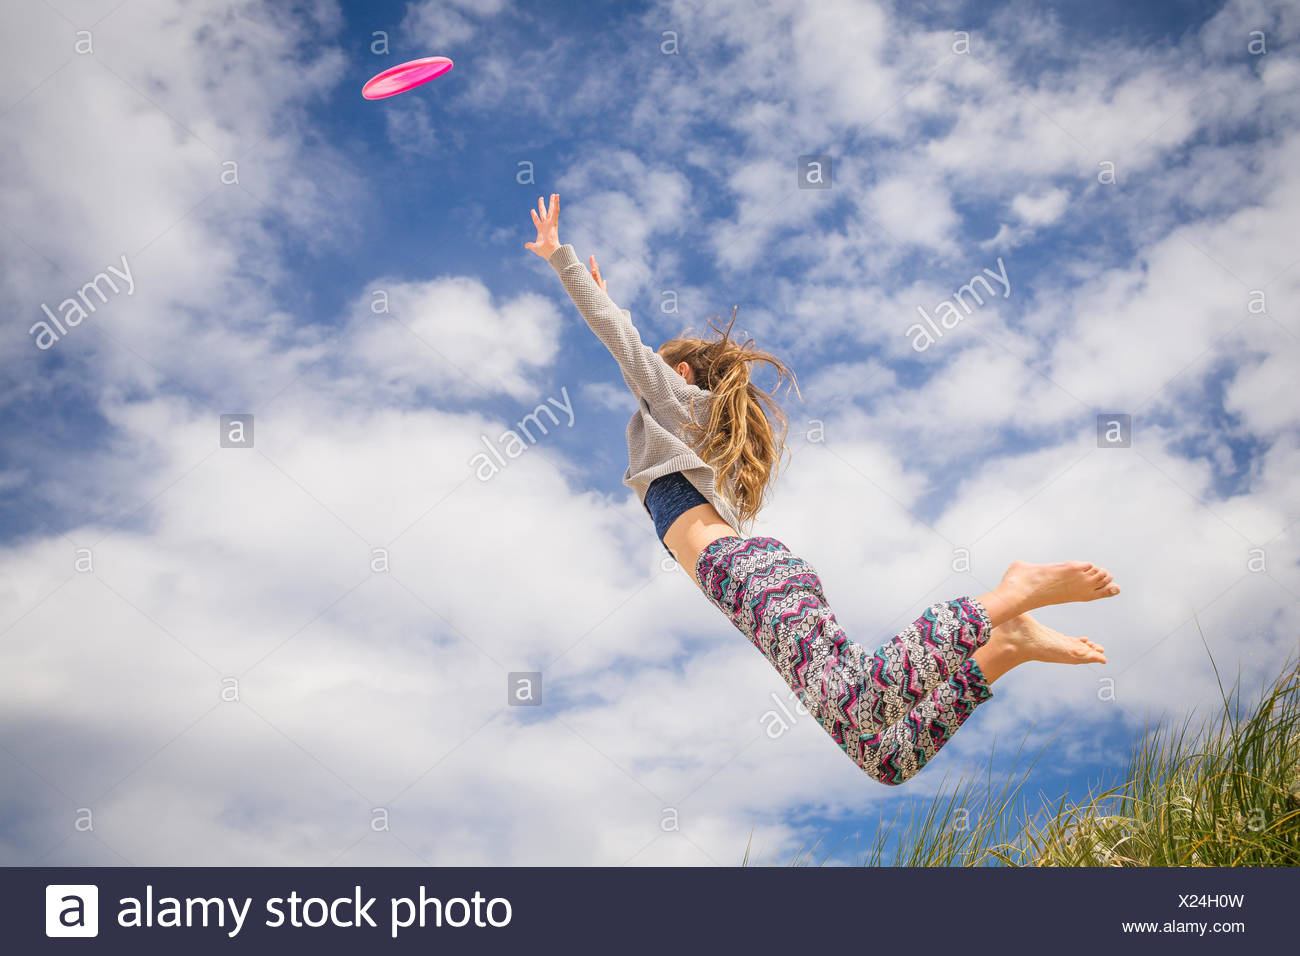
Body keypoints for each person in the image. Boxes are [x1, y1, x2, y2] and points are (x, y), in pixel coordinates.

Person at [526, 194, 1119, 785]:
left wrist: (562, 260)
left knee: (863, 701)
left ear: (678, 376)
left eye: (653, 370)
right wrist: (602, 295)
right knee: (883, 757)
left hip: (745, 575)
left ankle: (1009, 597)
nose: (639, 382)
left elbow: (618, 338)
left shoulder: (680, 403)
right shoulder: (696, 427)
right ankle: (1007, 645)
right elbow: (624, 335)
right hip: (753, 582)